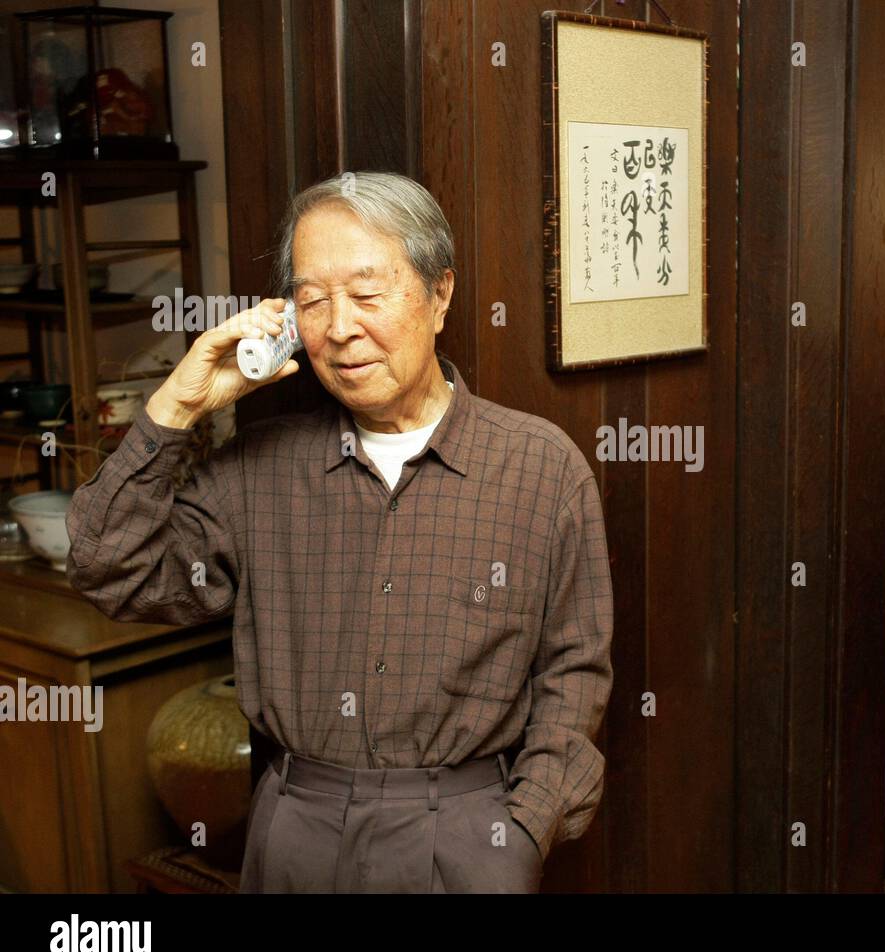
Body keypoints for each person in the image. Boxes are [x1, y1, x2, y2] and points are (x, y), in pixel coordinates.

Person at [65, 171, 613, 893]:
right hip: (297, 830)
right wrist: (177, 404)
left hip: (468, 833)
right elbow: (106, 565)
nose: (341, 328)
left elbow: (575, 672)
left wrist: (522, 831)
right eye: (313, 301)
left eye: (366, 293)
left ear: (439, 293)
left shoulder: (540, 467)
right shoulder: (256, 469)